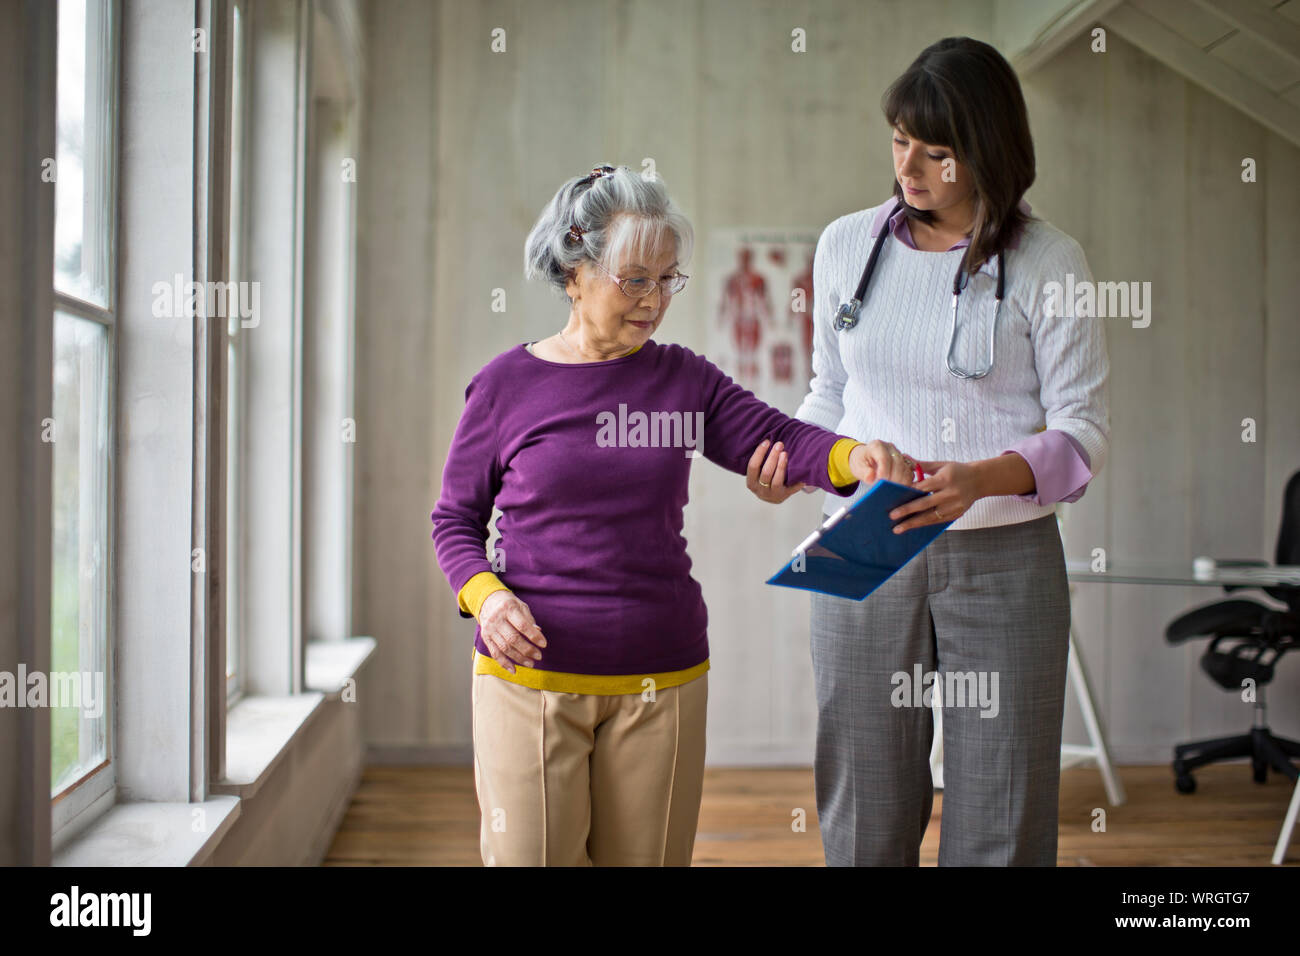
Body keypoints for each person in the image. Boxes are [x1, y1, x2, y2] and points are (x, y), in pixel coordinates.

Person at [430, 165, 896, 866]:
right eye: (634, 280)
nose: (653, 301)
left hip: (662, 679)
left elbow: (785, 440)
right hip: (529, 679)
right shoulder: (505, 386)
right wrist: (488, 599)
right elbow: (454, 522)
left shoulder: (682, 379)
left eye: (667, 279)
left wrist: (857, 459)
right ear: (574, 274)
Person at [747, 37, 1110, 866]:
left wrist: (983, 479)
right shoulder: (845, 246)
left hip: (1006, 554)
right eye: (900, 139)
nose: (910, 168)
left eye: (937, 152)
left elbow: (1083, 429)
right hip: (867, 542)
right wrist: (801, 467)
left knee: (1003, 809)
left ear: (988, 151)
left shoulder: (1052, 262)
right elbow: (826, 394)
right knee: (864, 797)